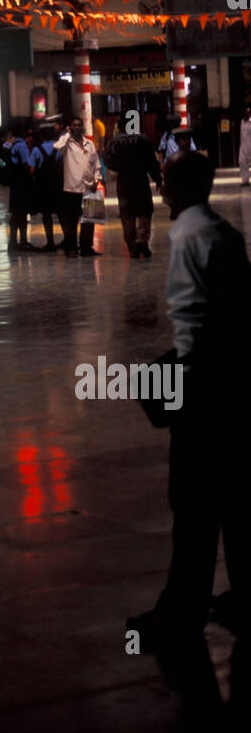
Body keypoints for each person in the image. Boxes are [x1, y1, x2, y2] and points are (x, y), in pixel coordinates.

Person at [128, 152, 251, 661]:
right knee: (238, 506)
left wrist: (175, 377)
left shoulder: (187, 236)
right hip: (235, 389)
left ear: (171, 190)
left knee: (195, 507)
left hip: (205, 395)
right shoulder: (225, 233)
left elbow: (197, 325)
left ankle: (182, 611)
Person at [103, 117, 162, 259]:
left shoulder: (115, 142)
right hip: (141, 180)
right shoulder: (144, 139)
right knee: (144, 211)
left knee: (127, 214)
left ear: (120, 127)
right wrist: (158, 179)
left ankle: (132, 246)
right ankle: (143, 242)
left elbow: (107, 160)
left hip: (124, 182)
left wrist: (119, 168)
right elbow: (151, 162)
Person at [54, 116, 101, 258]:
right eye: (73, 125)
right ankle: (71, 248)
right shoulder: (67, 144)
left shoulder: (89, 144)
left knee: (90, 220)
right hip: (71, 188)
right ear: (70, 127)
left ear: (82, 126)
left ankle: (87, 248)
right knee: (71, 221)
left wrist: (97, 180)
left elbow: (96, 164)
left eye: (79, 125)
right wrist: (67, 134)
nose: (76, 127)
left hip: (89, 186)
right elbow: (57, 146)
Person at [7, 130, 40, 252]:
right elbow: (27, 164)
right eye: (29, 135)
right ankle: (21, 242)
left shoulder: (12, 143)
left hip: (15, 183)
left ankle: (14, 242)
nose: (30, 138)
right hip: (21, 184)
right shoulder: (21, 145)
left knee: (16, 213)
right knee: (20, 212)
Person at [36, 123, 64, 251]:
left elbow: (31, 168)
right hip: (58, 185)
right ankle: (67, 239)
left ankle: (50, 243)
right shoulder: (59, 148)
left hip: (43, 186)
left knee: (46, 214)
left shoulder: (37, 150)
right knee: (61, 213)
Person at [239, 102, 251, 187]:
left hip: (250, 145)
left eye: (248, 113)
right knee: (242, 163)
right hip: (243, 146)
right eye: (245, 113)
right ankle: (245, 180)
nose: (246, 114)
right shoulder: (242, 122)